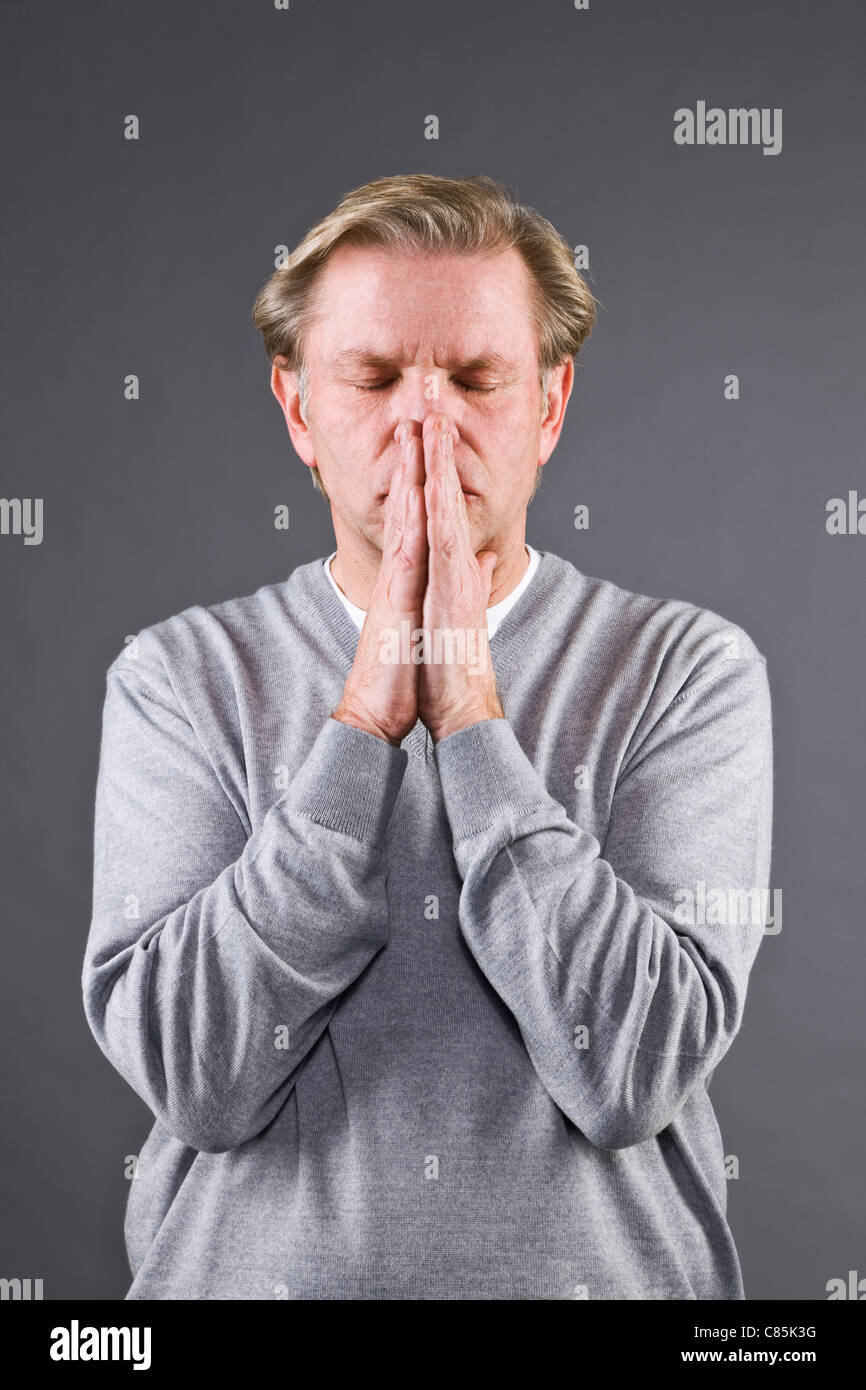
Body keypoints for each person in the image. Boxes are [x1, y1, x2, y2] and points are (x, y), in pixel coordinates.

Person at [82, 173, 773, 1300]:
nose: (424, 418)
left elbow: (631, 1072)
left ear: (547, 405)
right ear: (298, 407)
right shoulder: (178, 678)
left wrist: (468, 714)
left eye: (473, 377)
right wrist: (361, 728)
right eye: (372, 376)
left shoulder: (685, 671)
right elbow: (198, 1078)